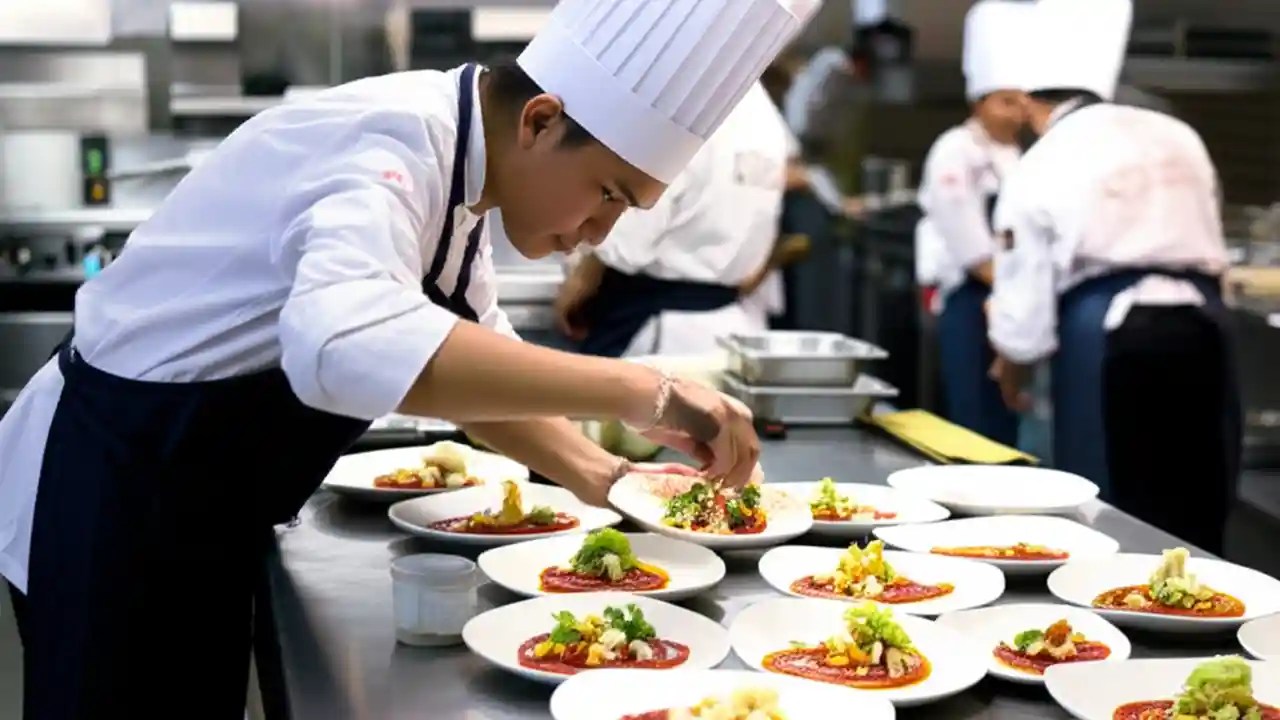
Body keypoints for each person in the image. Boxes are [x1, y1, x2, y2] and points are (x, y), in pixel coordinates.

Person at [0, 0, 818, 716]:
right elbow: (342, 345)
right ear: (540, 120)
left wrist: (609, 479)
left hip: (199, 506)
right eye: (606, 192)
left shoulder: (466, 186)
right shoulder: (393, 139)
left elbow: (481, 375)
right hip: (110, 491)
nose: (600, 234)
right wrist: (647, 390)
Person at [988, 0, 1239, 553]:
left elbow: (1024, 311)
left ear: (1031, 103)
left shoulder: (1043, 159)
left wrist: (1011, 364)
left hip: (1108, 334)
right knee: (1199, 492)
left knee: (1110, 508)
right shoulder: (1176, 132)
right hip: (1204, 326)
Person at [555, 81, 795, 357]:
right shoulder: (762, 112)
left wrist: (578, 284)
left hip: (665, 333)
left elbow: (633, 230)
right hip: (736, 326)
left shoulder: (689, 106)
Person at [915, 0, 1032, 447]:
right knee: (974, 420)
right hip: (970, 299)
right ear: (978, 101)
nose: (1016, 113)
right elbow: (970, 245)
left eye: (1022, 103)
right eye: (1005, 102)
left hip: (1009, 298)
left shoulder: (1019, 155)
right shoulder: (955, 150)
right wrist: (1015, 285)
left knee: (1008, 422)